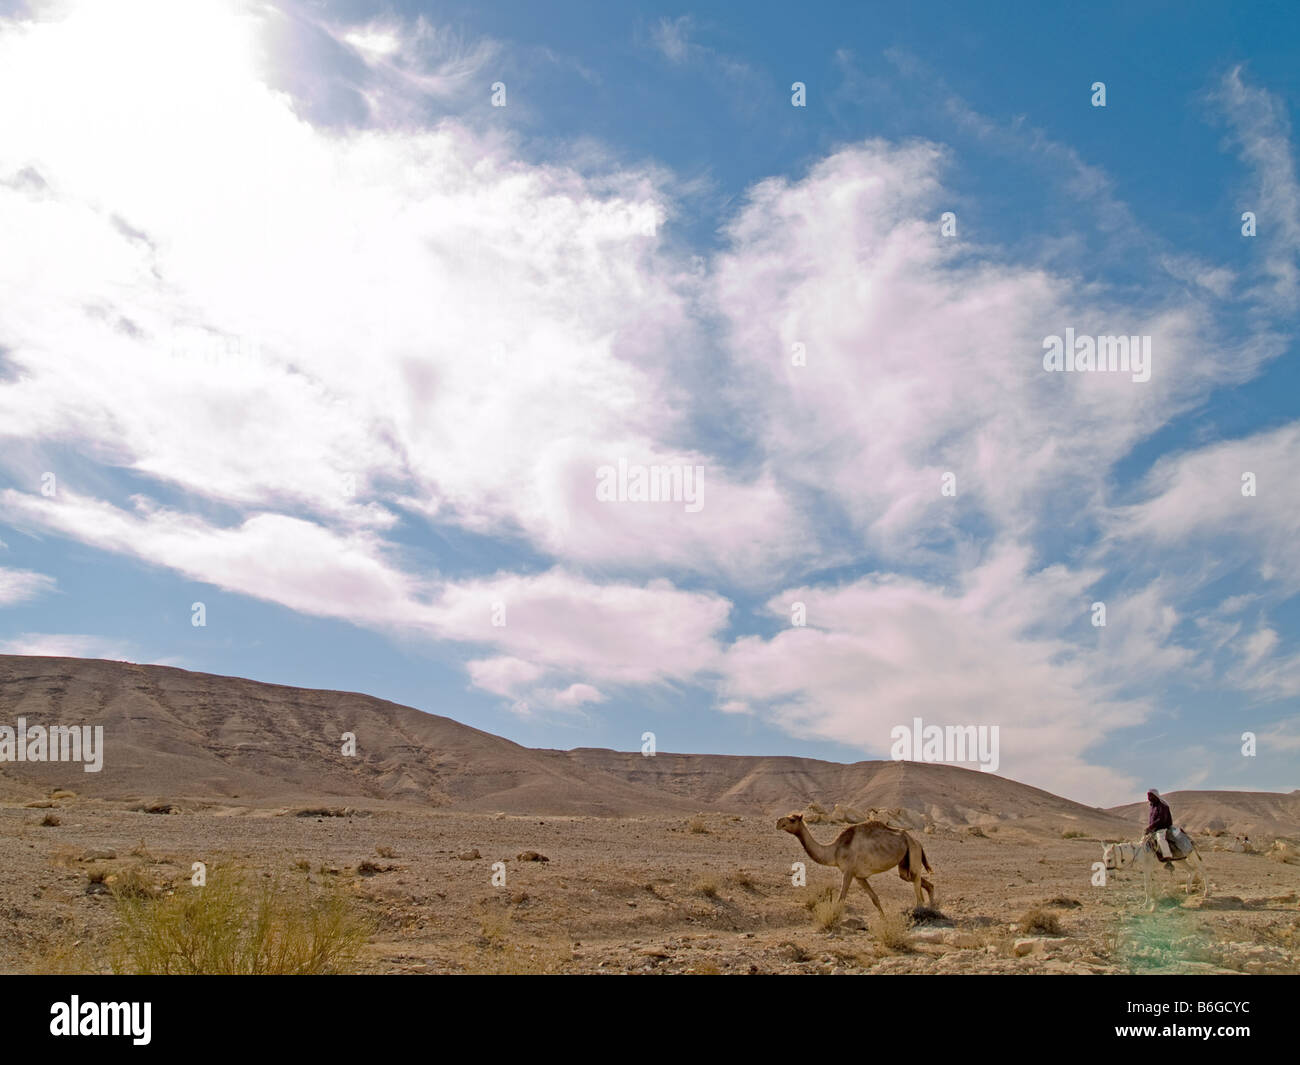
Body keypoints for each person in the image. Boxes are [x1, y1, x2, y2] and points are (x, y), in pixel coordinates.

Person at [1145, 788, 1173, 859]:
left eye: (1151, 796)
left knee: (1160, 839)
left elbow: (1161, 819)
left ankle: (1168, 857)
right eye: (1148, 796)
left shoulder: (1162, 805)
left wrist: (1151, 827)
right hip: (1154, 829)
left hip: (1163, 828)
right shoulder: (1152, 806)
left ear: (1155, 796)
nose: (1149, 798)